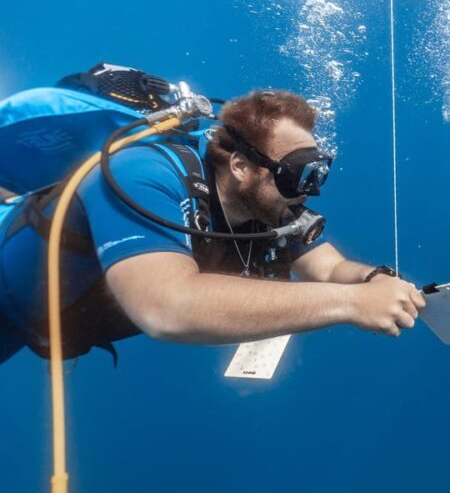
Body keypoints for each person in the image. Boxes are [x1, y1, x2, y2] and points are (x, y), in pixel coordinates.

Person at [0, 88, 425, 365]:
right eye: (296, 174)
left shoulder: (268, 208)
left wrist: (375, 281)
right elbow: (166, 307)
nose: (308, 192)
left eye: (317, 174)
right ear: (240, 166)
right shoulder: (141, 172)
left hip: (34, 324)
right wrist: (352, 304)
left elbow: (331, 269)